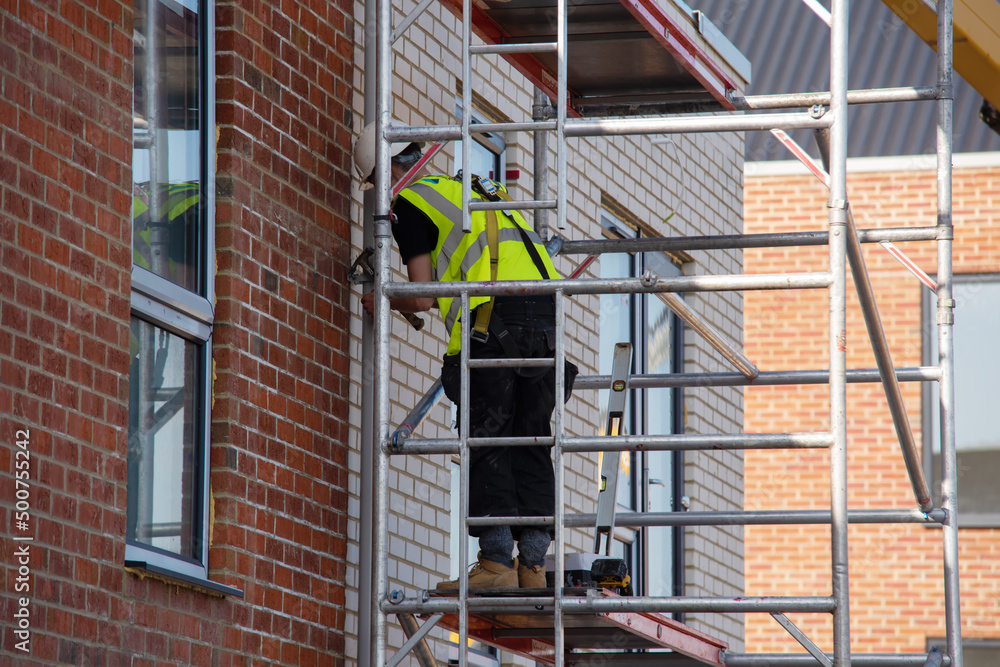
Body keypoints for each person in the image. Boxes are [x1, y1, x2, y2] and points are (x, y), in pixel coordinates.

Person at [355, 122, 565, 590]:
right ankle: (532, 567)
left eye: (375, 183)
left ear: (388, 169)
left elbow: (423, 294)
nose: (379, 195)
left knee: (485, 438)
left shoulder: (410, 202)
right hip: (549, 320)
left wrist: (382, 296)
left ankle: (495, 564)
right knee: (529, 440)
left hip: (494, 319)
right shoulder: (464, 188)